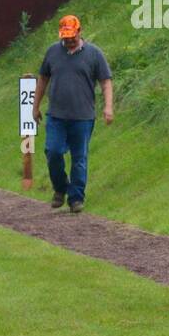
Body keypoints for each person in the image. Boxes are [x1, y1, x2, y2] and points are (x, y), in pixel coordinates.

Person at [33, 14, 114, 213]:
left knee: (79, 157)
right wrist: (35, 107)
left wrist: (108, 106)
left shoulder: (94, 54)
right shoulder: (52, 52)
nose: (68, 40)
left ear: (80, 31)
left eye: (72, 37)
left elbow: (106, 82)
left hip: (83, 117)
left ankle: (76, 198)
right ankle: (60, 188)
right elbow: (42, 79)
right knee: (53, 151)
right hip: (56, 116)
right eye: (65, 37)